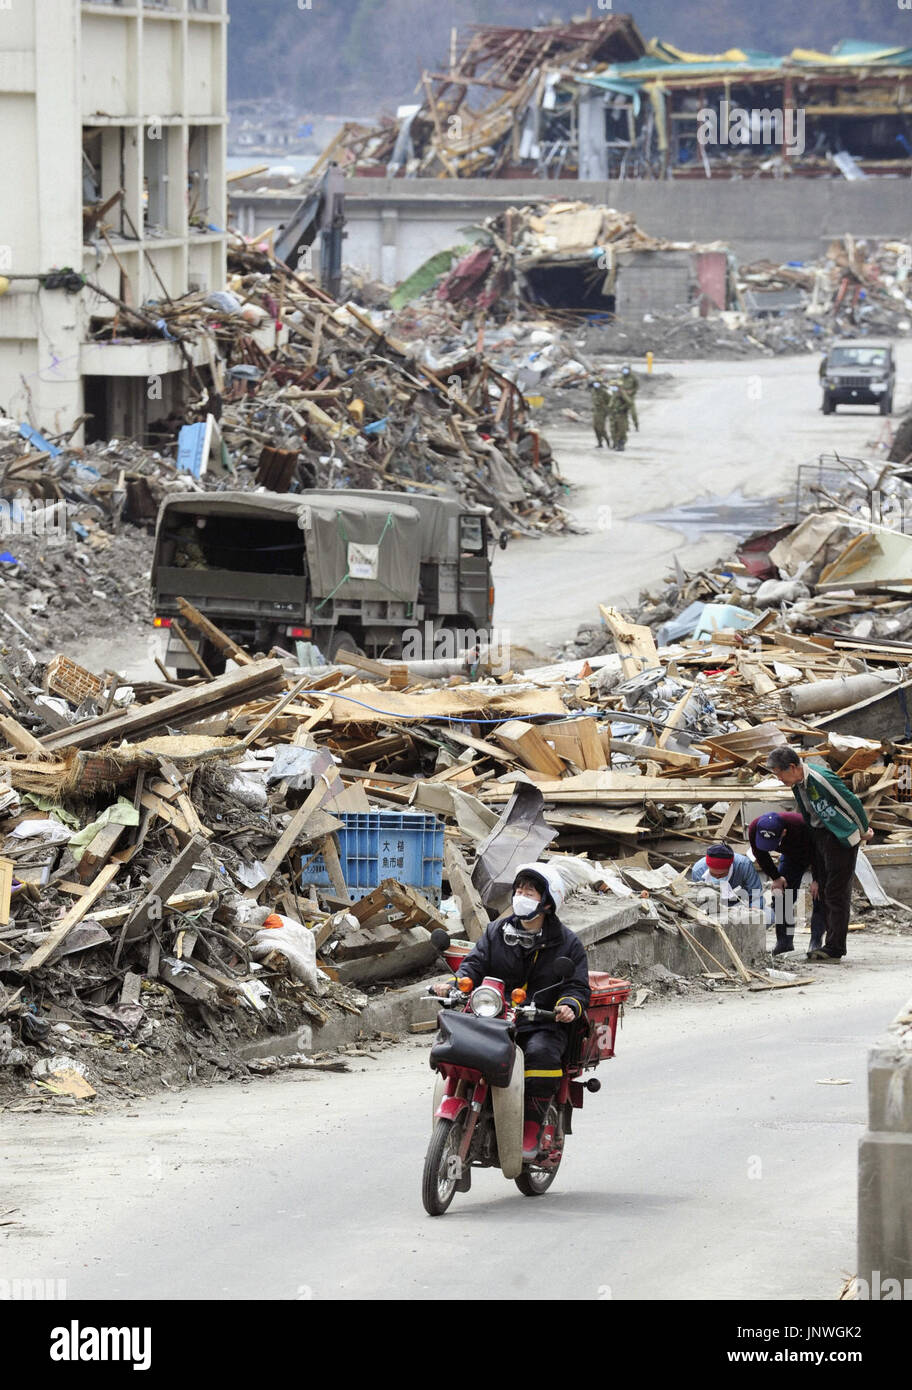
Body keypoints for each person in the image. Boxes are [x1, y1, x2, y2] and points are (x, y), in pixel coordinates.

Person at [432, 861, 590, 1160]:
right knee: (458, 1045)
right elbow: (474, 965)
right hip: (494, 1015)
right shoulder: (496, 931)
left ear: (547, 900)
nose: (521, 894)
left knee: (541, 1054)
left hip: (540, 1021)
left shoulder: (568, 943)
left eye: (530, 890)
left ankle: (530, 1126)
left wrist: (568, 1005)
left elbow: (578, 987)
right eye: (519, 889)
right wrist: (455, 984)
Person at [767, 746, 873, 962]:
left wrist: (863, 830)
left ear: (793, 767)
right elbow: (808, 815)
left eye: (780, 773)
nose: (779, 779)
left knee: (836, 893)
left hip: (840, 837)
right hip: (822, 836)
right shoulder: (798, 784)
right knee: (825, 891)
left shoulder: (819, 778)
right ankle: (827, 945)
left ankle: (834, 949)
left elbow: (850, 801)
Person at [749, 810, 827, 955]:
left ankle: (815, 943)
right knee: (781, 896)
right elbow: (760, 854)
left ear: (783, 832)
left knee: (819, 895)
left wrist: (818, 879)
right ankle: (784, 943)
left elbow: (820, 853)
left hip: (816, 853)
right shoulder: (754, 828)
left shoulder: (801, 825)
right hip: (791, 857)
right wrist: (776, 877)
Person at [690, 842, 769, 918]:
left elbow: (757, 896)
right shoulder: (698, 870)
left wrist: (752, 910)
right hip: (712, 911)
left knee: (769, 915)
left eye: (722, 874)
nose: (717, 877)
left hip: (742, 908)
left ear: (730, 866)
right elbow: (697, 900)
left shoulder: (744, 865)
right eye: (713, 874)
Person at [607, 378, 638, 450]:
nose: (612, 388)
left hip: (620, 415)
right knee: (613, 429)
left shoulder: (621, 393)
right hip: (614, 414)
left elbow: (630, 403)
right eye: (612, 386)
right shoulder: (614, 394)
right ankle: (615, 443)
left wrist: (622, 408)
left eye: (614, 386)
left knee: (621, 430)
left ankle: (621, 445)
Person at [590, 380, 610, 448]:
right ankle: (599, 443)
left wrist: (606, 410)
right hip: (595, 411)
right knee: (595, 427)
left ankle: (608, 442)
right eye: (595, 383)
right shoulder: (593, 391)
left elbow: (610, 401)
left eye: (597, 383)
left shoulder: (604, 392)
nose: (596, 384)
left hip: (602, 412)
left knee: (601, 428)